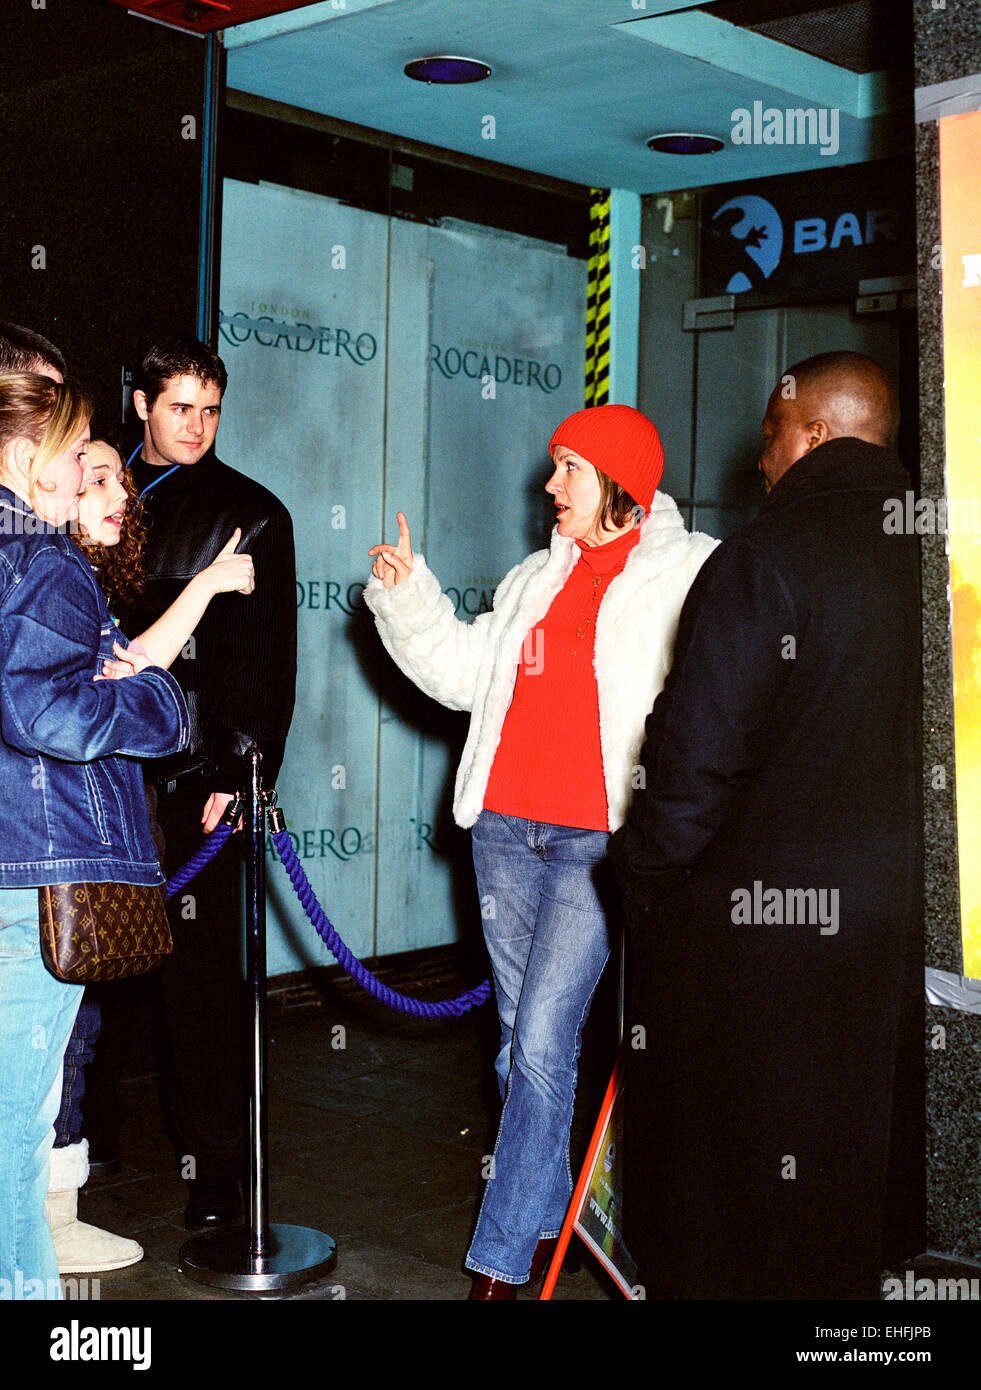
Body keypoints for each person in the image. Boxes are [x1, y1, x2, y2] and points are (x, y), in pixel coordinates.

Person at [365, 403, 717, 1298]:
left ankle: (498, 1264)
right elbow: (458, 674)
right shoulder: (535, 577)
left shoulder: (691, 573)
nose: (549, 485)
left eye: (567, 468)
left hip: (595, 843)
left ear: (618, 483)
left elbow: (715, 704)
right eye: (554, 467)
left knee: (541, 1043)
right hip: (504, 831)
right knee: (521, 1043)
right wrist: (410, 594)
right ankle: (556, 1220)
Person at [610, 351, 924, 1300]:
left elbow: (693, 755)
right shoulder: (943, 553)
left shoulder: (765, 557)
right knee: (847, 1177)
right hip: (898, 924)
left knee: (732, 1189)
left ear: (816, 432)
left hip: (754, 938)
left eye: (772, 433)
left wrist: (643, 878)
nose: (761, 458)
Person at [85, 337, 296, 1229]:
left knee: (202, 987)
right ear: (139, 404)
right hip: (96, 768)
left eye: (212, 409)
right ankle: (84, 1140)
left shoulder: (251, 512)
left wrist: (240, 768)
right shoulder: (91, 485)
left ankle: (219, 1174)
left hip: (197, 783)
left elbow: (266, 659)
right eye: (180, 408)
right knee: (93, 961)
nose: (199, 426)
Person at [41, 435, 254, 1273]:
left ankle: (55, 1209)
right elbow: (120, 687)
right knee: (55, 1034)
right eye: (94, 476)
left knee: (76, 1029)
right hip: (47, 848)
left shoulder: (82, 580)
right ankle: (42, 1221)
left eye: (119, 478)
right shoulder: (48, 574)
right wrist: (200, 594)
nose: (116, 491)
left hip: (77, 848)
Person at [0, 374, 188, 1299]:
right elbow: (47, 711)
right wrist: (152, 697)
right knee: (8, 1158)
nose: (89, 473)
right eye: (78, 452)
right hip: (32, 882)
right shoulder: (44, 559)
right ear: (26, 456)